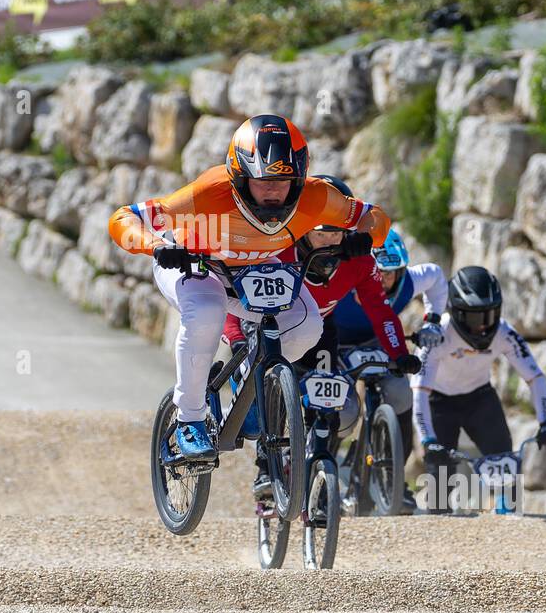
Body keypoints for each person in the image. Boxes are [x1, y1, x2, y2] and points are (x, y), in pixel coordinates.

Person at [108, 114, 394, 462]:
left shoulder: (317, 197)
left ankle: (254, 386)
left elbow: (373, 216)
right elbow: (125, 217)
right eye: (262, 181)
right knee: (208, 313)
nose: (273, 191)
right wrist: (155, 245)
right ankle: (190, 421)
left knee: (307, 325)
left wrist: (365, 238)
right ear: (240, 178)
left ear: (301, 179)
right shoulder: (208, 193)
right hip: (195, 261)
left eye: (284, 181)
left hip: (253, 266)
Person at [222, 177, 420, 501]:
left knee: (328, 400)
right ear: (304, 227)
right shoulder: (277, 248)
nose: (329, 239)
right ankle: (265, 468)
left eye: (336, 231)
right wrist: (234, 337)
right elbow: (235, 291)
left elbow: (379, 309)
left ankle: (320, 471)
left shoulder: (359, 259)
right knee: (266, 392)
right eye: (320, 230)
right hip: (268, 324)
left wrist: (398, 352)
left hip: (320, 331)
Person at [412, 266, 546, 509]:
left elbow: (535, 377)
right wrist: (428, 440)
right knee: (440, 482)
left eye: (489, 316)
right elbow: (419, 392)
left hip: (479, 399)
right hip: (437, 403)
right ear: (457, 312)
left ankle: (511, 522)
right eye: (475, 318)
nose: (483, 326)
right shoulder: (437, 335)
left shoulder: (504, 332)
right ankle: (437, 530)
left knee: (506, 465)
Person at [333, 229, 448, 507]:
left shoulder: (410, 281)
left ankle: (395, 480)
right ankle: (319, 470)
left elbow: (435, 276)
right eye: (376, 273)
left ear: (402, 270)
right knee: (341, 409)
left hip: (380, 337)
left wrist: (432, 320)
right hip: (334, 340)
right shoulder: (342, 275)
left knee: (401, 395)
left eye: (390, 273)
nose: (381, 281)